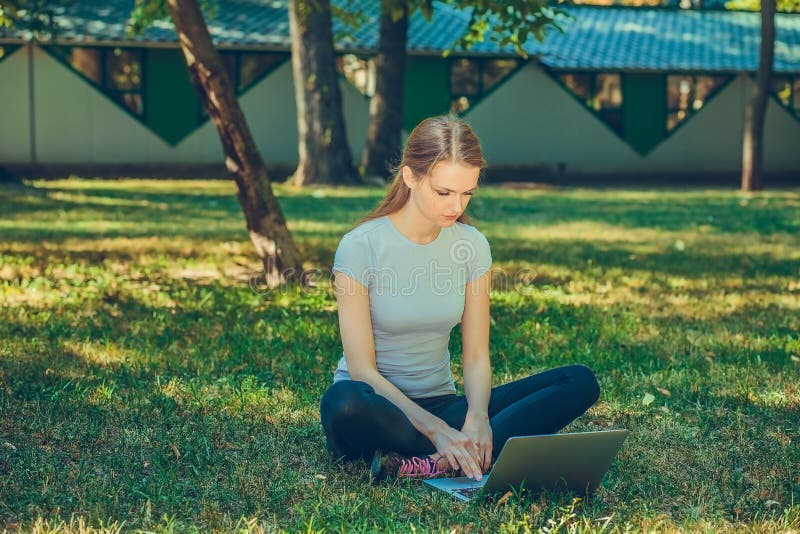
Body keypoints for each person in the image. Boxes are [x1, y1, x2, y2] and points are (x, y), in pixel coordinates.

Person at [319, 115, 600, 484]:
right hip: (378, 408)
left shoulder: (471, 246)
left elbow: (476, 355)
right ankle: (453, 452)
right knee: (343, 402)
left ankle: (432, 461)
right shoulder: (361, 247)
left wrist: (478, 417)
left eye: (467, 192)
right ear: (410, 177)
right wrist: (437, 431)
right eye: (444, 192)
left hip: (442, 404)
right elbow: (362, 371)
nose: (456, 205)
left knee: (579, 382)